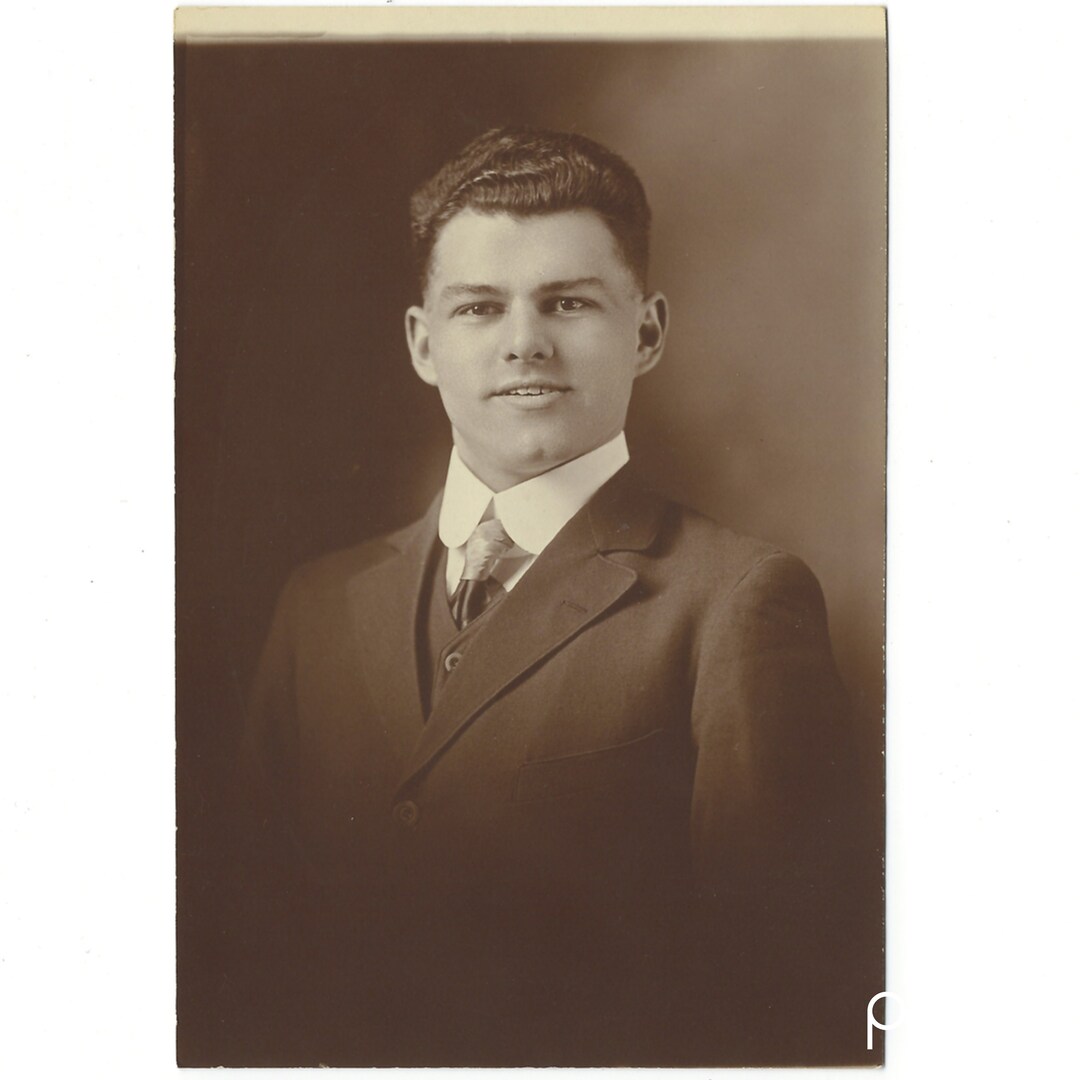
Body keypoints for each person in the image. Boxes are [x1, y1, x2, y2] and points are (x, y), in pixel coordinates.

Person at [231, 128, 879, 1066]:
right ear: (422, 343)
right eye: (479, 308)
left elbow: (779, 995)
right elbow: (246, 952)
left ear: (647, 332)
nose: (524, 342)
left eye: (569, 302)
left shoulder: (735, 601)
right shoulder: (319, 605)